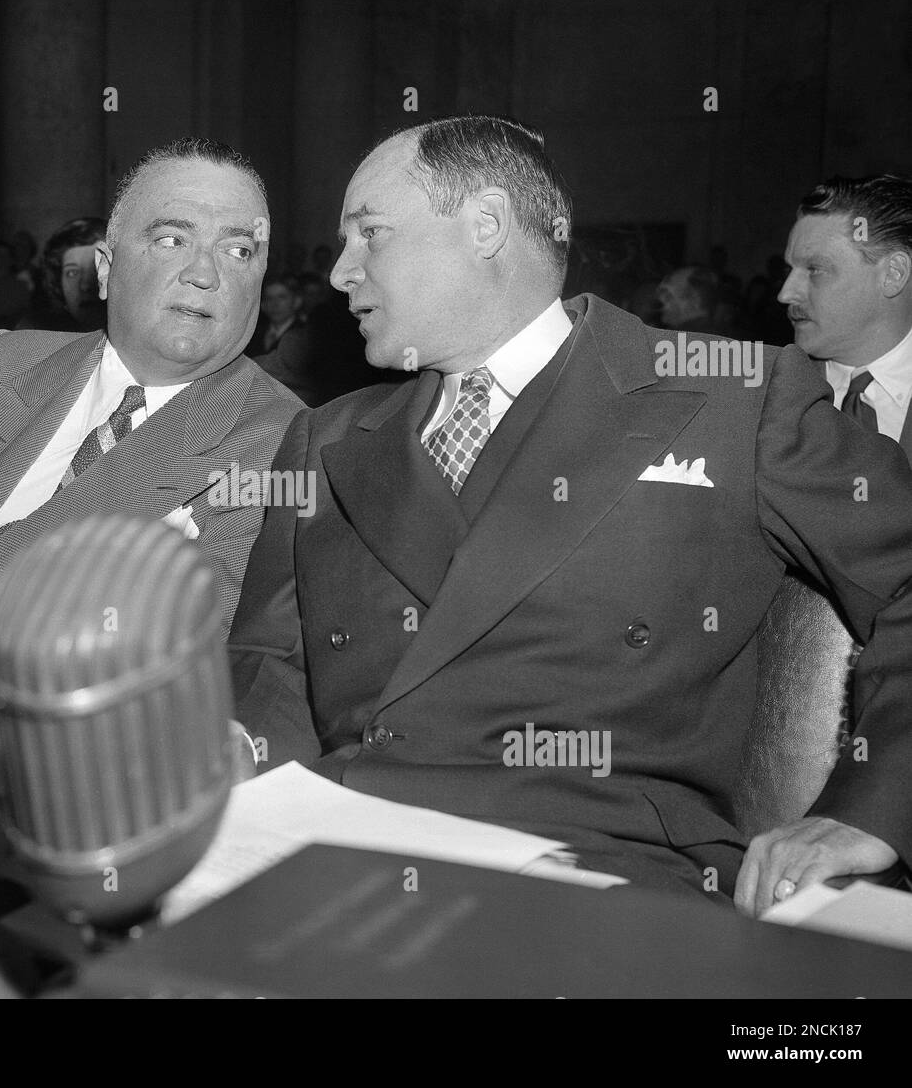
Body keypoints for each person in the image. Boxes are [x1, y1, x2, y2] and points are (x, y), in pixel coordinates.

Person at [228, 114, 912, 916]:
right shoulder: (326, 437)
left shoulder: (735, 399)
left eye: (369, 234)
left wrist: (870, 811)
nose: (341, 272)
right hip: (336, 847)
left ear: (484, 225)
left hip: (598, 869)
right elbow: (270, 660)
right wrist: (237, 753)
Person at [0, 137, 304, 694]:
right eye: (172, 238)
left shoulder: (277, 438)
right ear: (106, 270)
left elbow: (190, 661)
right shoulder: (1, 365)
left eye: (240, 251)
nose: (206, 273)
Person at [779, 174, 912, 463]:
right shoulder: (766, 399)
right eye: (789, 270)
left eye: (815, 269)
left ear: (893, 274)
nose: (786, 293)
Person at [21, 216, 107, 331]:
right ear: (58, 284)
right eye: (72, 273)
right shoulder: (36, 336)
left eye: (96, 269)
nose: (85, 285)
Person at [248, 273, 319, 405]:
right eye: (269, 298)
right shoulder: (250, 333)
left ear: (297, 301)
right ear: (262, 304)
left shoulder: (309, 337)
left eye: (282, 297)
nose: (274, 304)